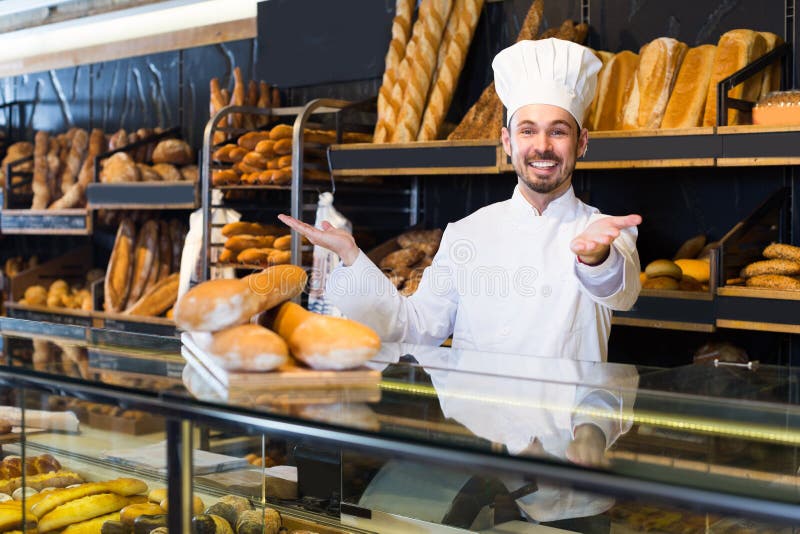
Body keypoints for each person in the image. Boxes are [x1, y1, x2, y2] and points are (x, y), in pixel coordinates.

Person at [279, 38, 642, 362]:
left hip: (570, 432)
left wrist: (596, 259)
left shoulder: (604, 232)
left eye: (558, 131)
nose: (542, 146)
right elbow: (414, 328)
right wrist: (350, 256)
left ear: (582, 143)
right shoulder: (467, 233)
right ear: (507, 142)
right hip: (484, 430)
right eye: (527, 130)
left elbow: (621, 293)